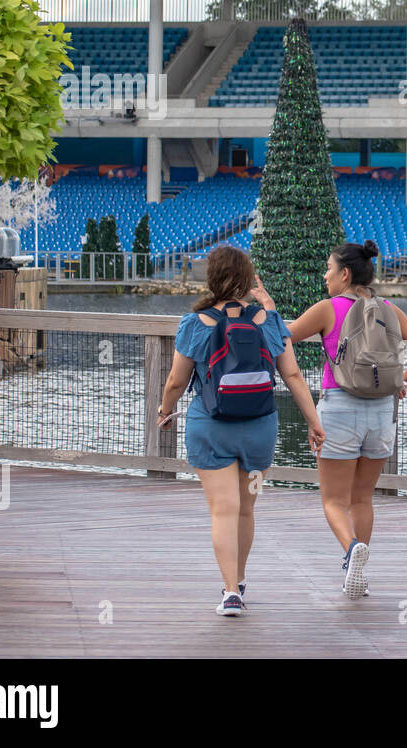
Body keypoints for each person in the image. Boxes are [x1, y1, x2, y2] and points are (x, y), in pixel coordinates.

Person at [260, 239, 407, 600]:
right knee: (362, 499)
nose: (325, 276)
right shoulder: (390, 309)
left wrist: (269, 307)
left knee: (333, 501)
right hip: (382, 410)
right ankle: (359, 571)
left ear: (345, 273)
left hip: (339, 407)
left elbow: (279, 337)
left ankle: (351, 550)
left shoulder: (327, 309)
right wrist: (402, 381)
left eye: (329, 269)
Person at [158, 245, 325, 616]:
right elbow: (293, 375)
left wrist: (165, 410)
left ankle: (230, 592)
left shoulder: (193, 323)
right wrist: (314, 421)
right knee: (246, 510)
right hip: (260, 430)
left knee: (223, 511)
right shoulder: (268, 321)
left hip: (210, 427)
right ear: (249, 280)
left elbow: (175, 381)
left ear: (211, 277)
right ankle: (241, 578)